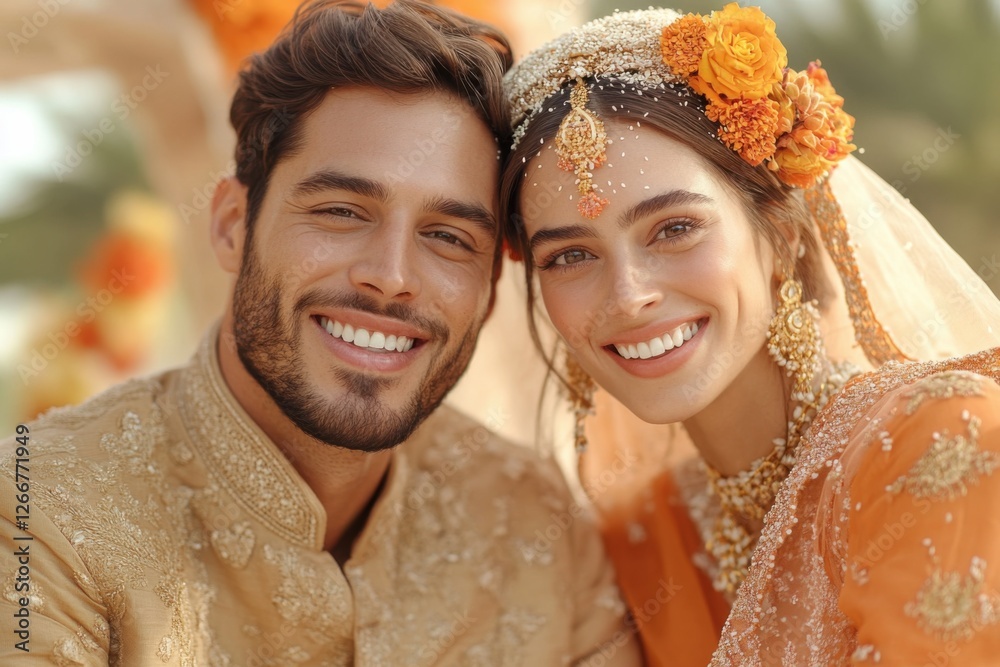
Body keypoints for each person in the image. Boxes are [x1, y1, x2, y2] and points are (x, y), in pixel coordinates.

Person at [0, 2, 642, 664]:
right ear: (230, 223)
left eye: (448, 237)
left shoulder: (532, 518)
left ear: (490, 290)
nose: (391, 277)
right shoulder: (40, 510)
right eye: (341, 211)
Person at [501, 5, 1000, 665]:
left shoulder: (940, 439)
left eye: (674, 228)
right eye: (569, 256)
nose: (629, 295)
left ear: (783, 238)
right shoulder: (640, 538)